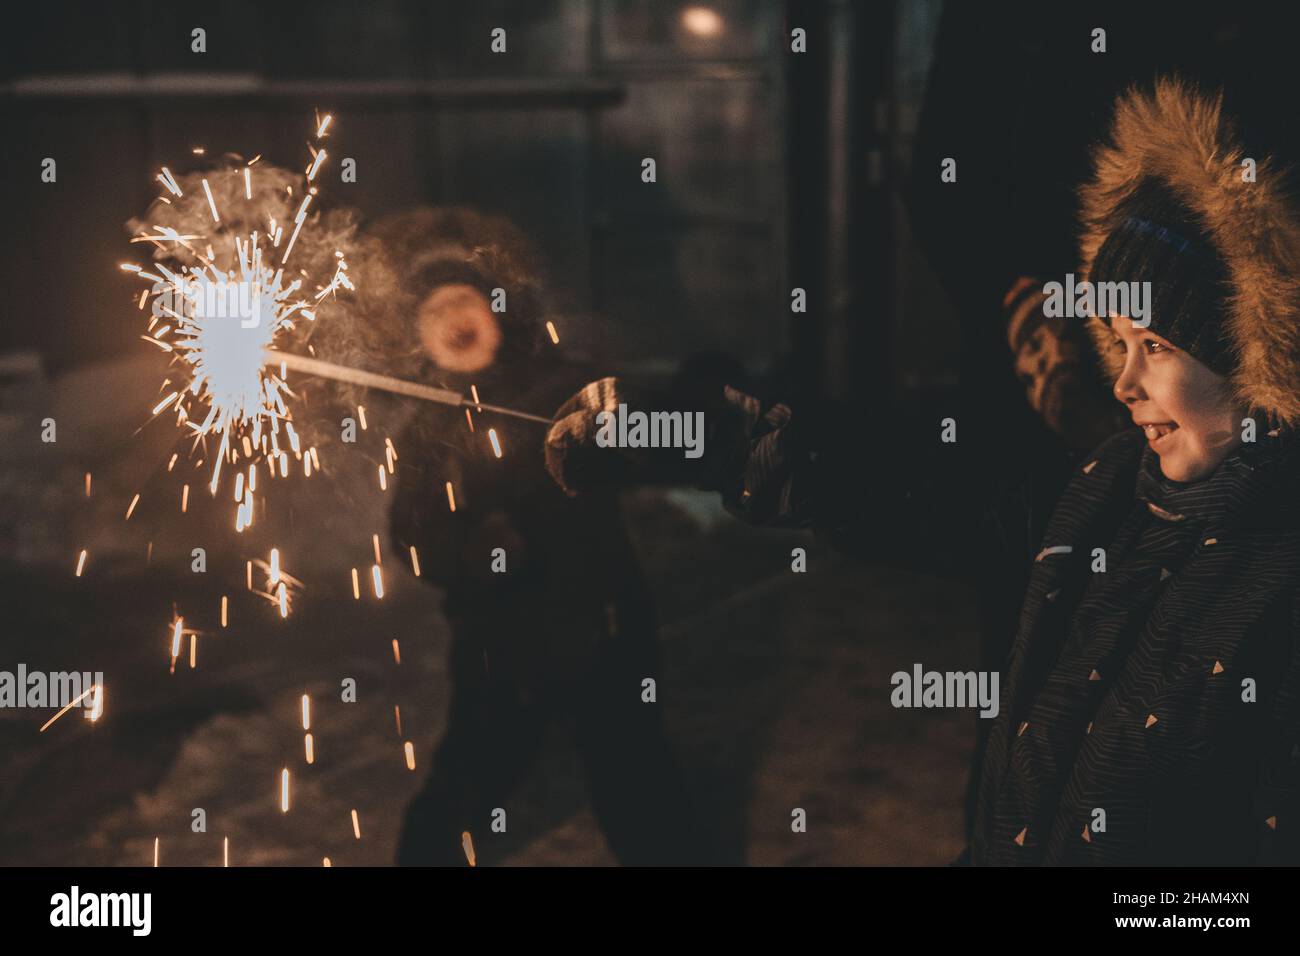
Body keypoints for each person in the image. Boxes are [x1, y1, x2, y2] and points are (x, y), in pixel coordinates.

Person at [544, 79, 1300, 865]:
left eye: (1161, 346)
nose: (1123, 383)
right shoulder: (1103, 493)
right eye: (1119, 340)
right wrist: (702, 437)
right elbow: (910, 485)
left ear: (1257, 360)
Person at [373, 207, 701, 865]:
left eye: (464, 302)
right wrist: (467, 547)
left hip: (601, 630)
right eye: (434, 313)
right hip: (498, 644)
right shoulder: (424, 429)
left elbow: (658, 437)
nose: (453, 321)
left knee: (638, 788)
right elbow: (409, 534)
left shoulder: (570, 389)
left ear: (501, 311)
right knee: (462, 792)